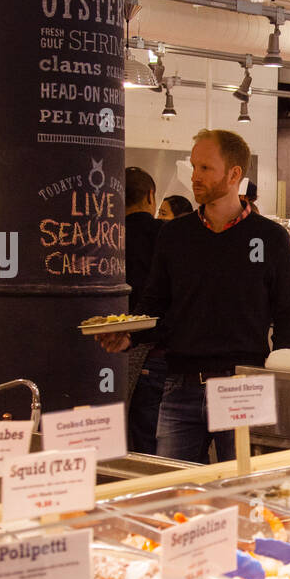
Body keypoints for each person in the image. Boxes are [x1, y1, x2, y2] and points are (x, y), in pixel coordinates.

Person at [98, 129, 290, 464]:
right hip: (180, 385)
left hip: (243, 384)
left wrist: (278, 379)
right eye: (193, 167)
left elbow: (288, 316)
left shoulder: (271, 237)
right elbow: (156, 306)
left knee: (240, 488)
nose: (194, 177)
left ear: (234, 174)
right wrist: (129, 337)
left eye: (205, 168)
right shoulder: (174, 234)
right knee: (175, 491)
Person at [123, 167, 165, 455]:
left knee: (135, 441)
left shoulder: (105, 238)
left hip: (119, 347)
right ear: (151, 196)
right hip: (160, 351)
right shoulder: (167, 235)